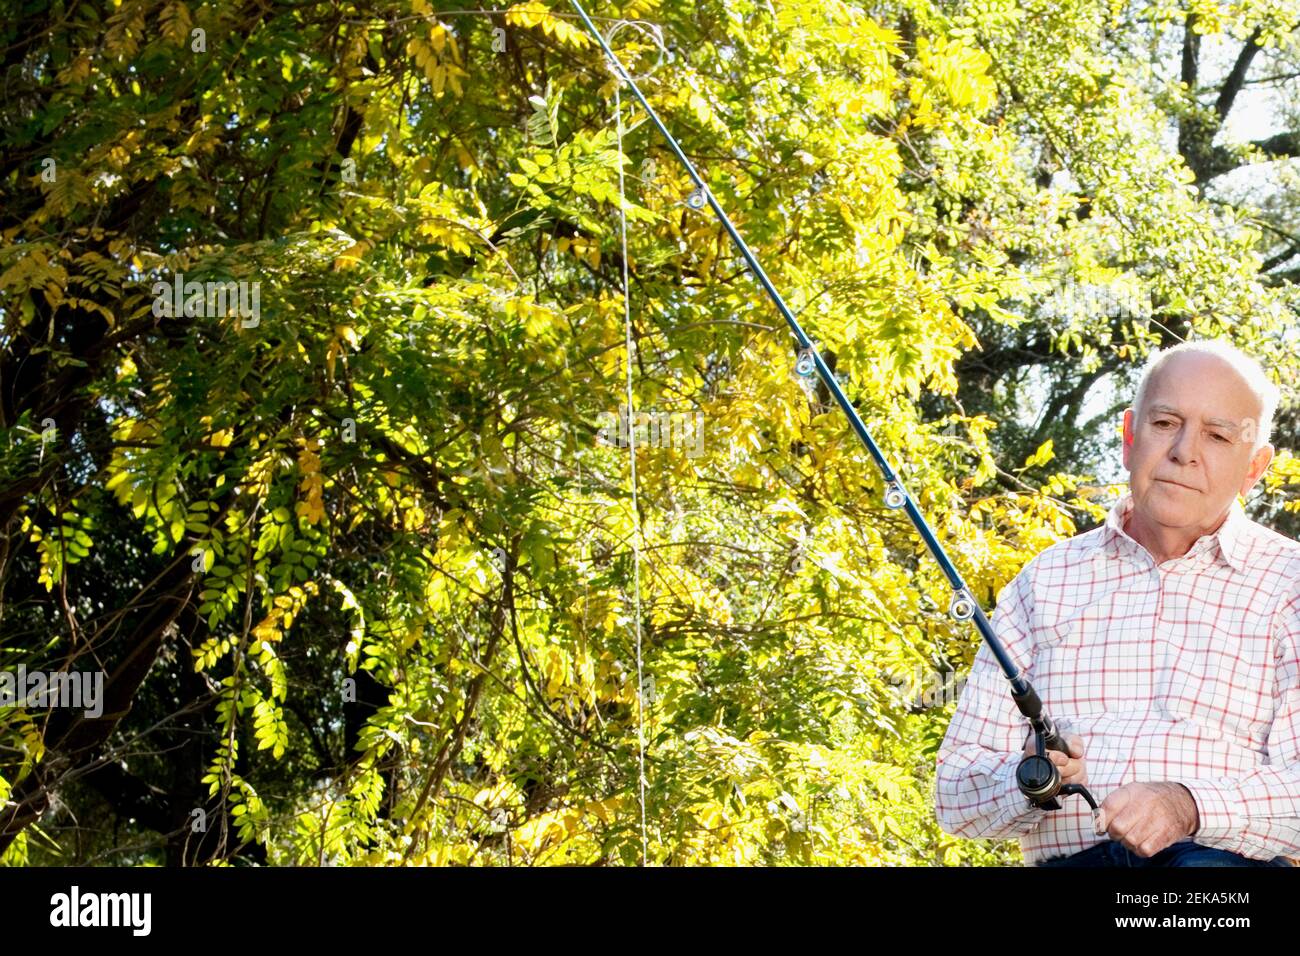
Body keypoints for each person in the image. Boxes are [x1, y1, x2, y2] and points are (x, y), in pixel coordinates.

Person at [934, 338, 1300, 866]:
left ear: (1255, 466)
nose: (1184, 452)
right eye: (1165, 423)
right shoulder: (1046, 582)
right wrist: (1029, 779)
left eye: (1217, 435)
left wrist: (1189, 805)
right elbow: (955, 793)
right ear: (1130, 437)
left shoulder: (1290, 586)